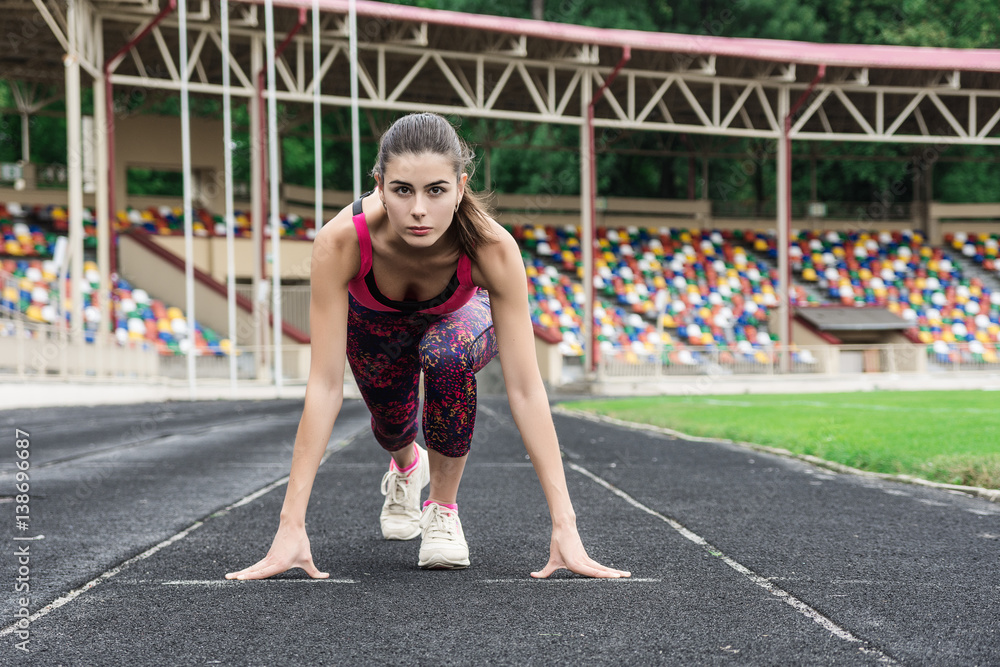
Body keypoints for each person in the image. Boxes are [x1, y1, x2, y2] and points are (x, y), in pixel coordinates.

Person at [226, 112, 630, 580]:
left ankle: (442, 510)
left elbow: (525, 389)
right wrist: (290, 526)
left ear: (460, 188)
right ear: (380, 186)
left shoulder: (492, 248)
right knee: (391, 426)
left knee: (446, 354)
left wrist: (566, 526)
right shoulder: (340, 241)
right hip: (374, 324)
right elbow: (324, 386)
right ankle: (406, 464)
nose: (419, 210)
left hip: (459, 317)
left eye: (436, 190)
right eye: (403, 190)